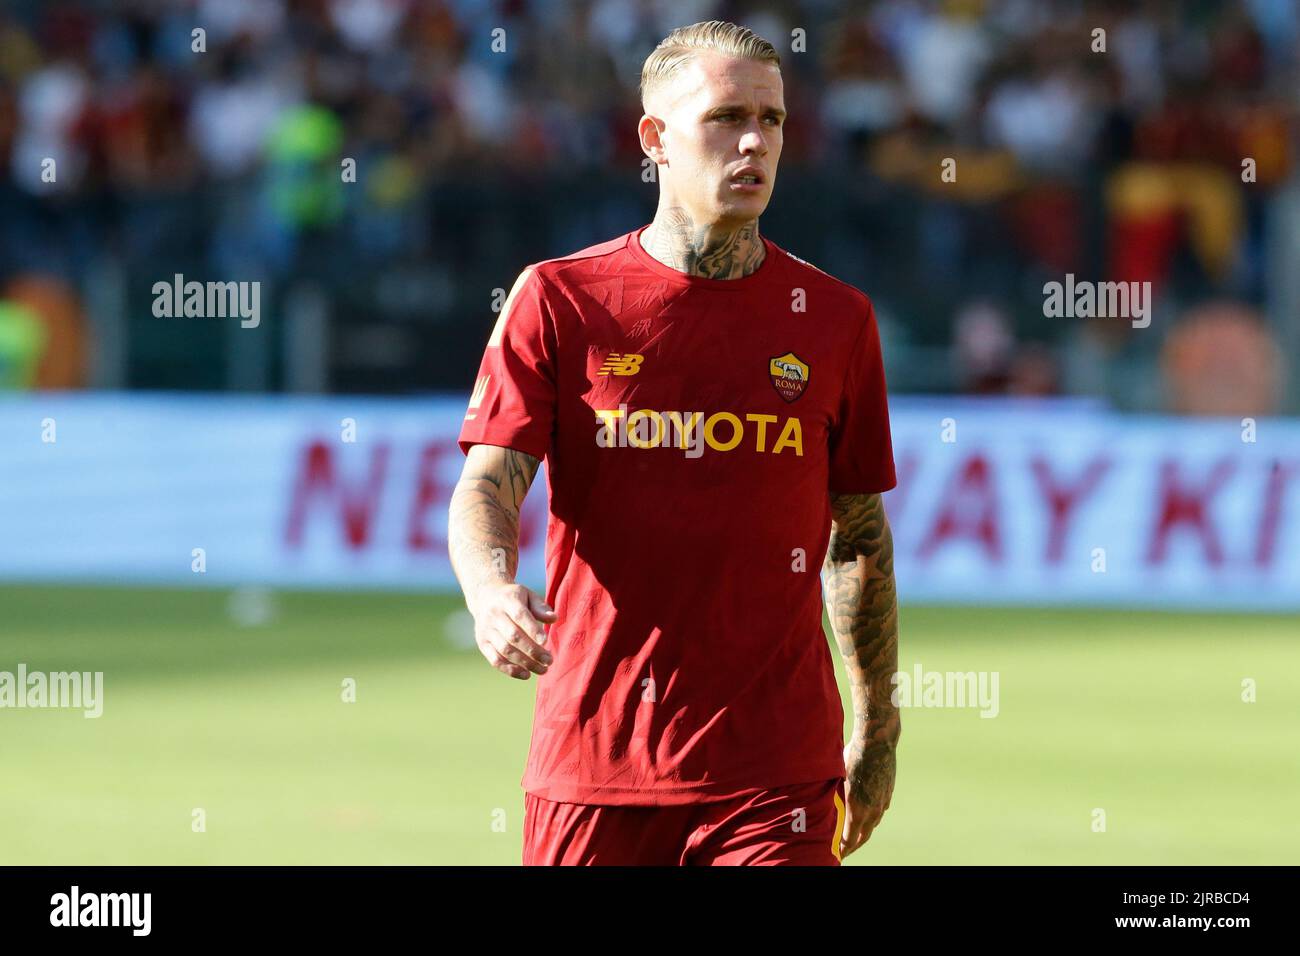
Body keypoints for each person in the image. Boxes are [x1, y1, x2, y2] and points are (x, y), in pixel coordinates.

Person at [448, 20, 900, 866]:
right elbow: (486, 486)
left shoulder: (836, 320)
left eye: (772, 120)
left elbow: (858, 539)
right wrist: (489, 591)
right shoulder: (561, 301)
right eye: (727, 117)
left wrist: (879, 726)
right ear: (654, 138)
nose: (755, 141)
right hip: (595, 761)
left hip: (779, 773)